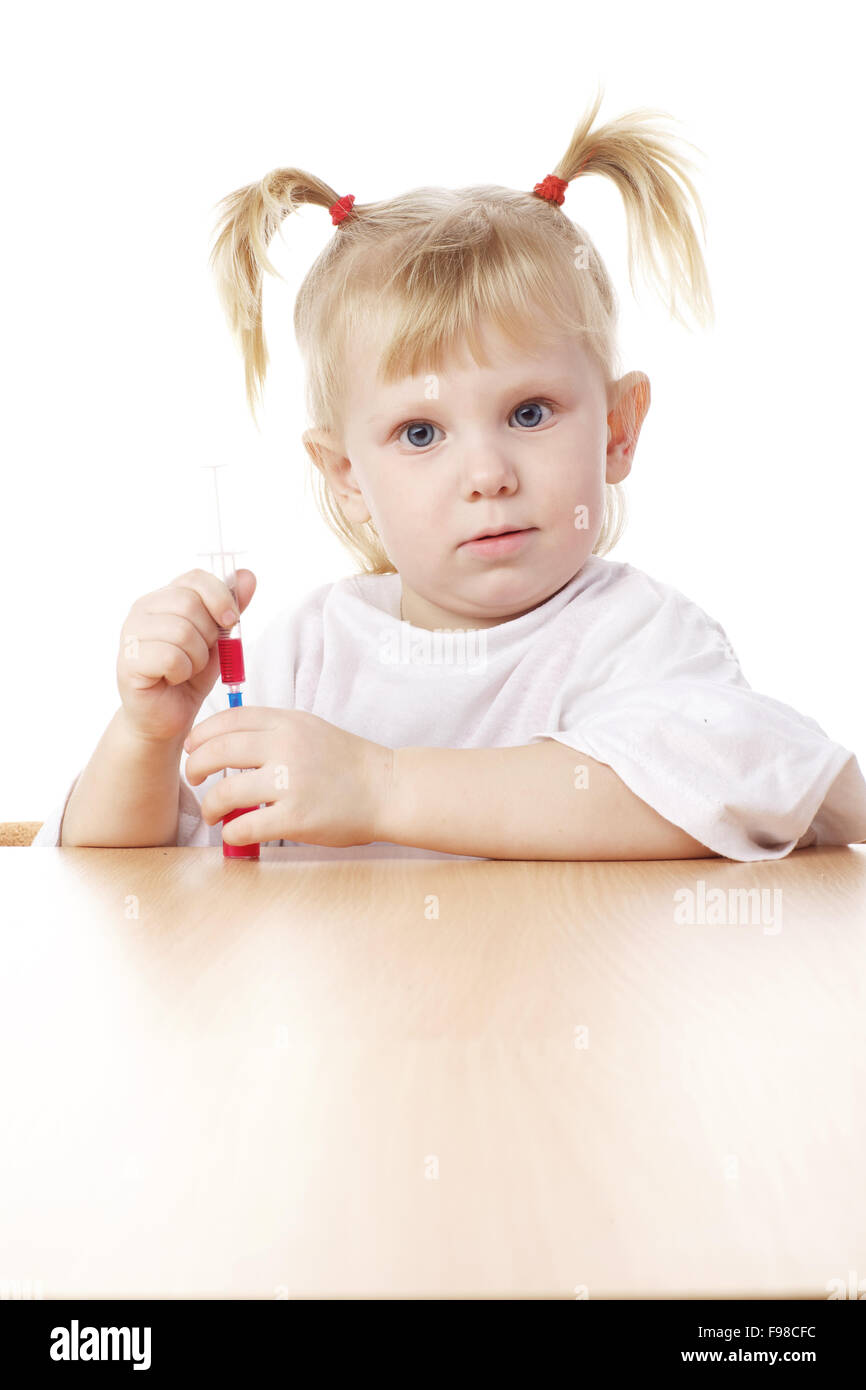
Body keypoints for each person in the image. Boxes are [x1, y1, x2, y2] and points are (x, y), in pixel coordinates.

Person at [33, 89, 866, 861]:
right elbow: (119, 882)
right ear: (346, 475)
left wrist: (380, 787)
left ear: (617, 428)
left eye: (530, 413)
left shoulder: (638, 638)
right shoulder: (305, 656)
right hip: (357, 1025)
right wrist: (145, 737)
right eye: (421, 431)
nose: (488, 474)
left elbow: (727, 792)